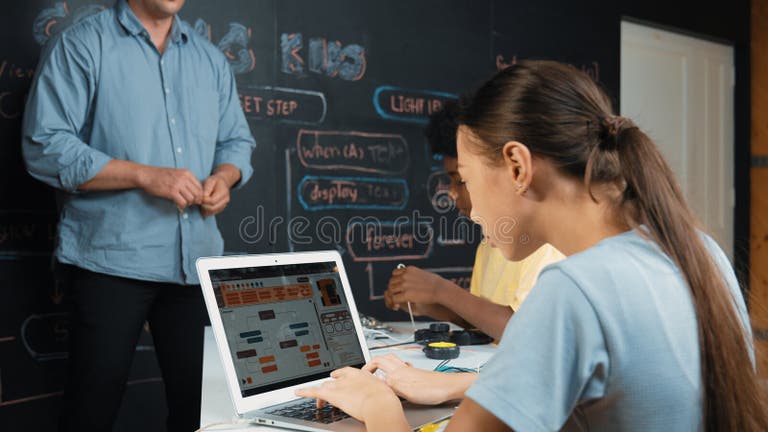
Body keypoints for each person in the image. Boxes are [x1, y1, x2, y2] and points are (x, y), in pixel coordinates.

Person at [295, 60, 768, 431]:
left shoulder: (573, 289)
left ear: (518, 167)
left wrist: (377, 405)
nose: (470, 209)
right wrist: (456, 389)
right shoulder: (700, 252)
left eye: (469, 180)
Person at [21, 0, 255, 431]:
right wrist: (144, 176)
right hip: (111, 261)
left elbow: (237, 142)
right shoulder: (82, 43)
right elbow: (45, 145)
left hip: (195, 265)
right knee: (91, 411)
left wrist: (225, 176)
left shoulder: (209, 59)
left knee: (203, 415)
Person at [385, 101, 564, 340]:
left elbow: (525, 332)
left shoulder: (548, 244)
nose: (452, 192)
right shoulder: (490, 243)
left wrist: (441, 290)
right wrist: (432, 304)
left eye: (462, 180)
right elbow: (484, 322)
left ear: (515, 170)